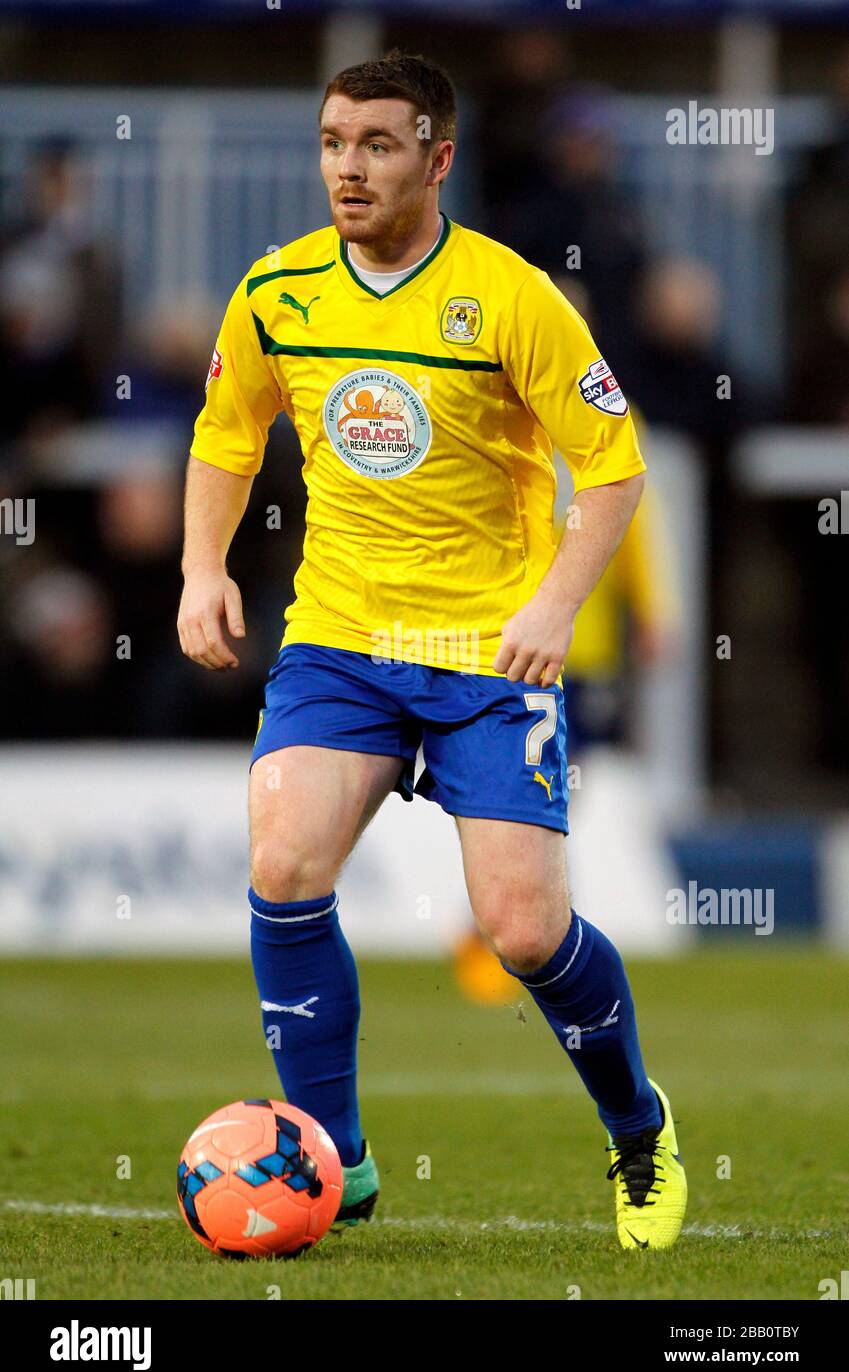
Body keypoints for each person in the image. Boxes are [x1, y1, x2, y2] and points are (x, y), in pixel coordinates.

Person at [177, 50, 687, 1251]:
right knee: (285, 858)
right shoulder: (276, 290)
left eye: (378, 146)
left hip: (485, 653)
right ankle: (336, 1159)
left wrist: (557, 606)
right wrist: (202, 567)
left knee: (520, 932)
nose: (348, 170)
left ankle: (638, 1126)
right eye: (332, 143)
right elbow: (225, 430)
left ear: (437, 158)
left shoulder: (512, 297)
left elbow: (613, 467)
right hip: (342, 639)